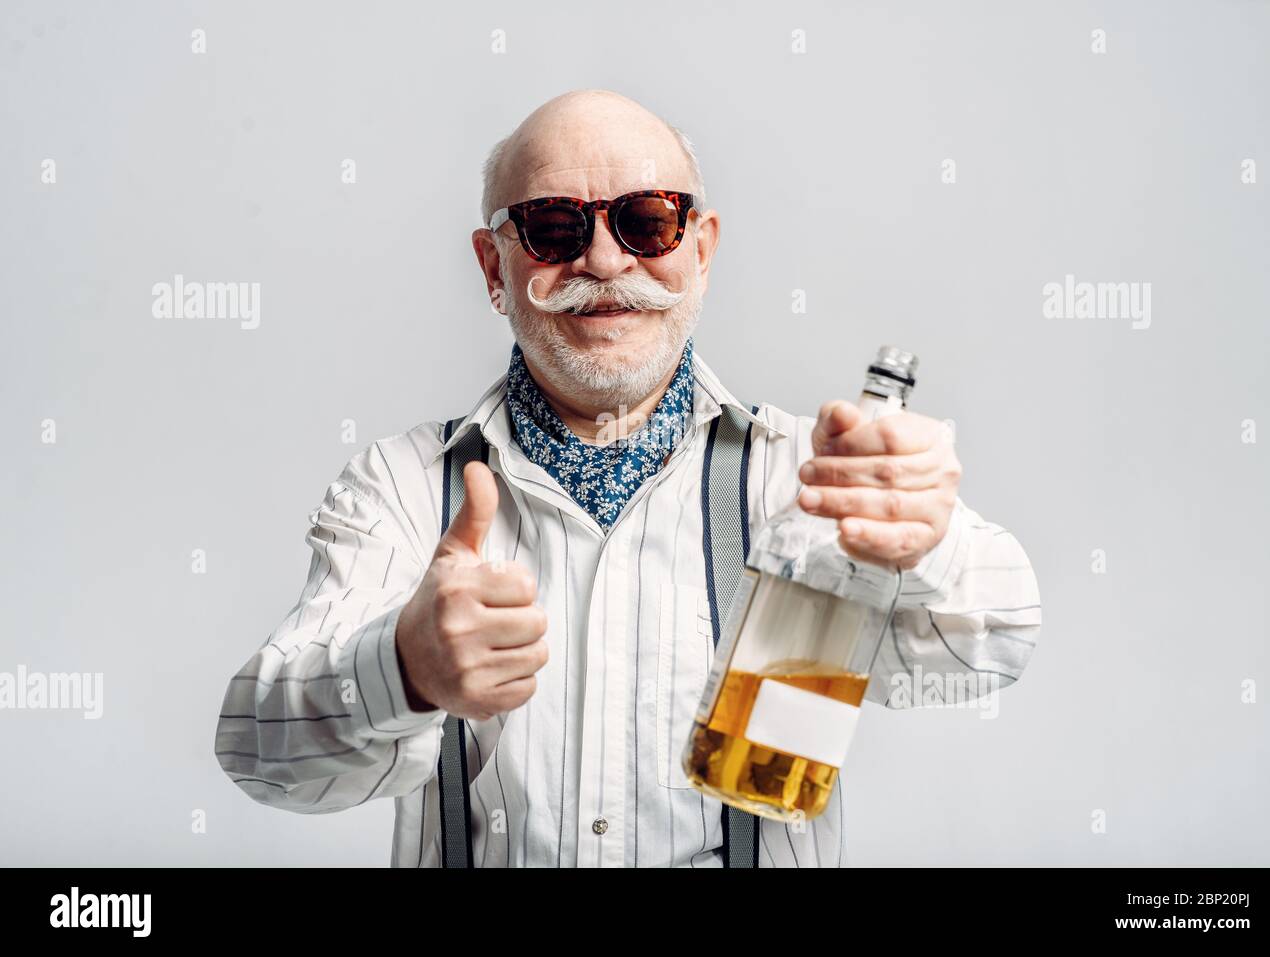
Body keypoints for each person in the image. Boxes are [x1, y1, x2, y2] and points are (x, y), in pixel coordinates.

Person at [214, 89, 1041, 867]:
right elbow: (259, 753)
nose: (606, 260)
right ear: (494, 266)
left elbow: (995, 642)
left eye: (649, 221)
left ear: (702, 250)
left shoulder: (815, 482)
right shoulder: (401, 486)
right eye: (552, 226)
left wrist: (925, 542)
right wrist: (402, 666)